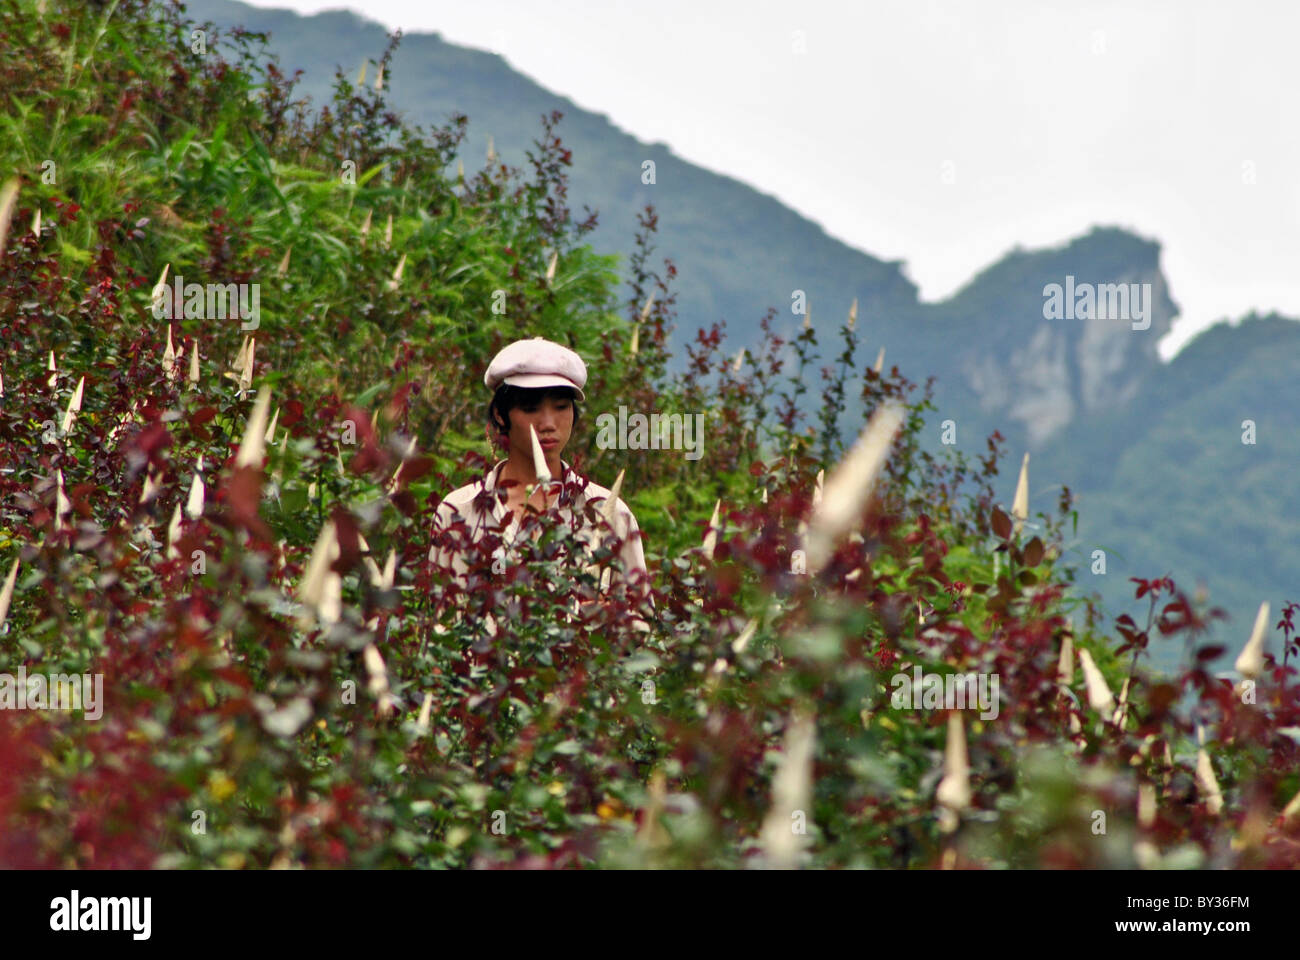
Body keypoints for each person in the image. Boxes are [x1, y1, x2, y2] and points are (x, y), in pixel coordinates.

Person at [429, 336, 653, 634]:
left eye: (561, 407)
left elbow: (643, 626)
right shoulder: (459, 510)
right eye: (532, 409)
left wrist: (609, 618)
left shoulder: (606, 512)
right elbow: (439, 628)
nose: (549, 423)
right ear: (500, 414)